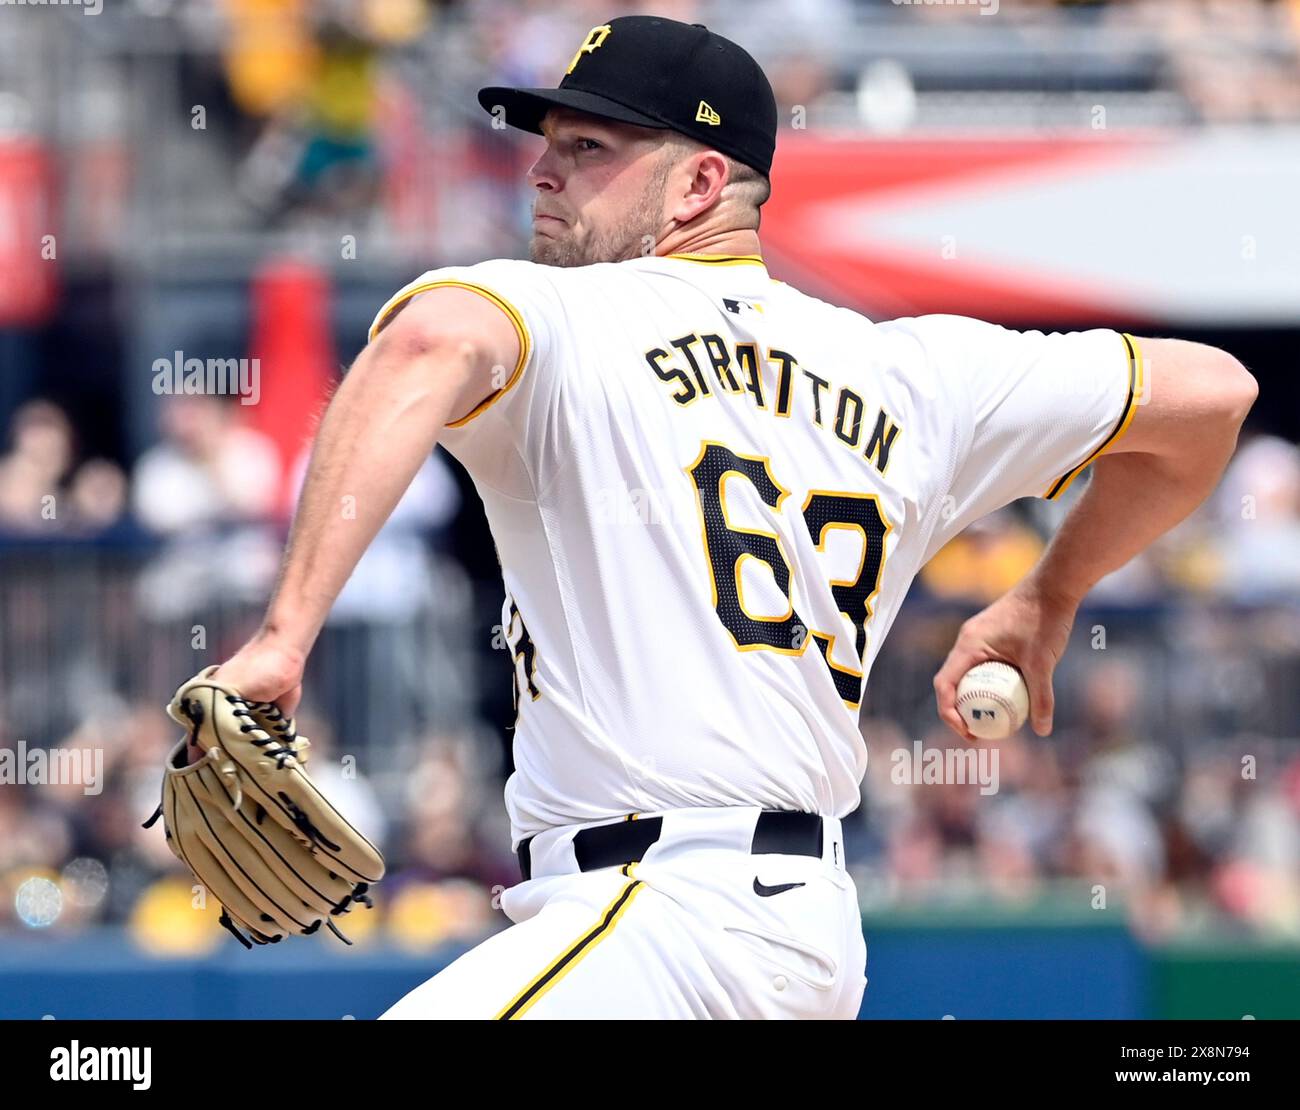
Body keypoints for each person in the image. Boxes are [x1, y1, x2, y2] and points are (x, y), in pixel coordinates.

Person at [201, 15, 1257, 1019]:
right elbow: (1211, 397)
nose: (543, 169)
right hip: (798, 927)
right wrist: (1050, 593)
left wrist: (284, 639)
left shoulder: (572, 316)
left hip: (667, 915)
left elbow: (422, 345)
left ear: (702, 179)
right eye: (548, 141)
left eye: (588, 144)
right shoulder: (916, 369)